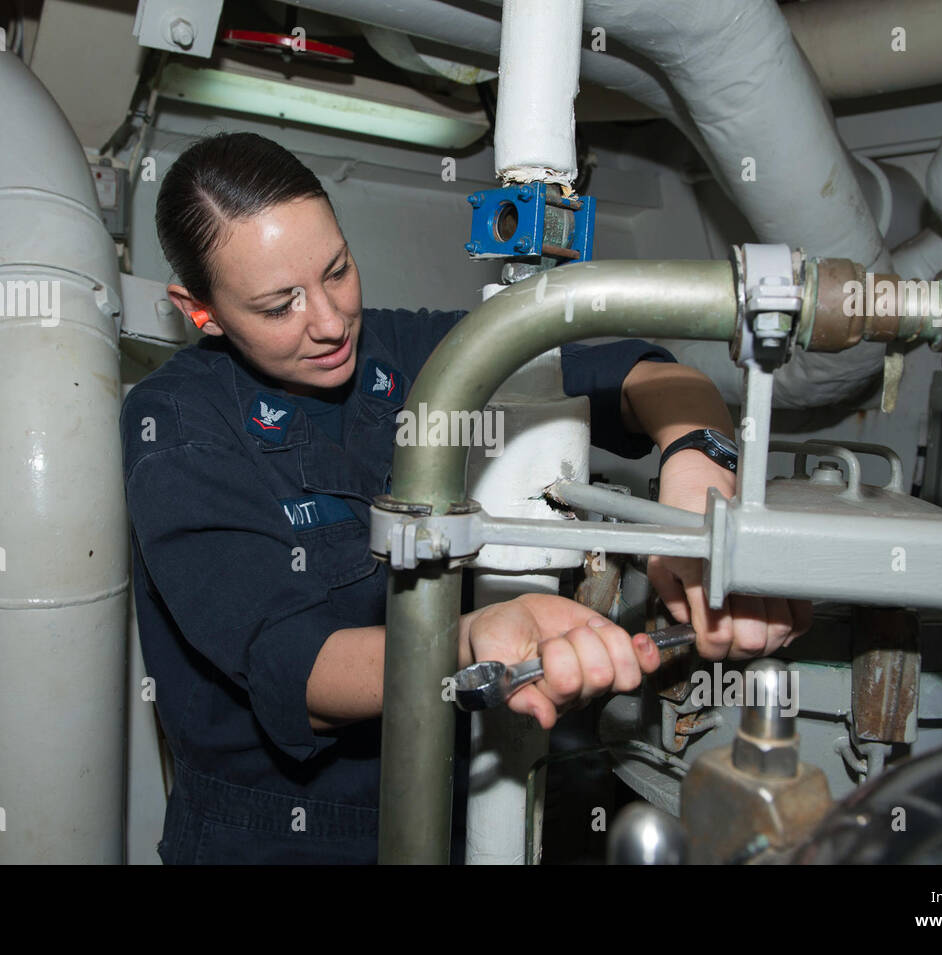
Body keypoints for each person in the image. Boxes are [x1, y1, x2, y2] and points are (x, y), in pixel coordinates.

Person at [119, 131, 811, 864]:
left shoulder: (403, 355)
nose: (327, 321)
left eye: (338, 271)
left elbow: (636, 369)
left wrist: (697, 464)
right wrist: (473, 636)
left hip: (443, 808)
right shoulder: (180, 426)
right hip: (273, 837)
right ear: (201, 310)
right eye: (279, 304)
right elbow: (298, 668)